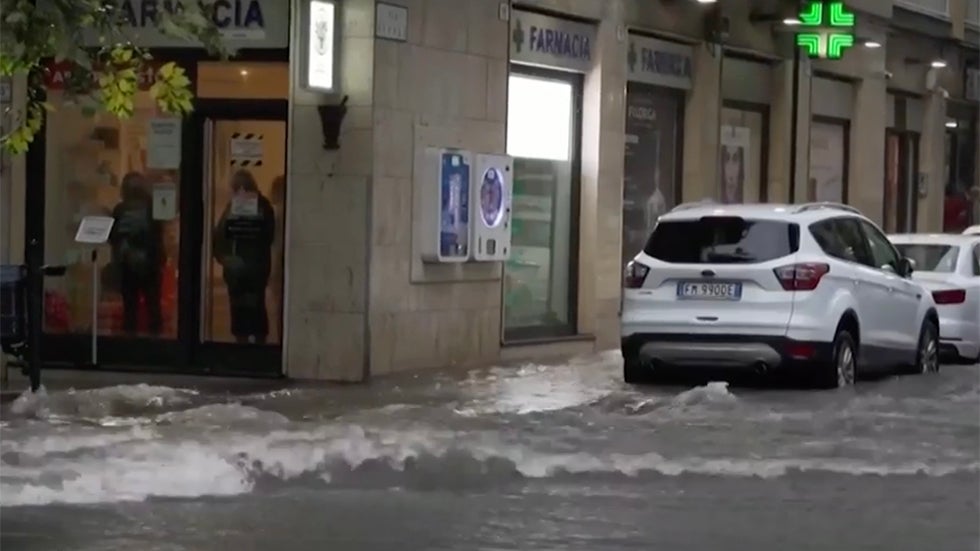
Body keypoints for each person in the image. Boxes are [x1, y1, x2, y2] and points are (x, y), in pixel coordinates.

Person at [212, 169, 276, 344]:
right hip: (256, 266)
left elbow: (220, 235)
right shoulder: (264, 206)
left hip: (238, 266)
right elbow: (268, 236)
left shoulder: (234, 207)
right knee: (256, 306)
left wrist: (223, 257)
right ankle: (258, 341)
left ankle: (243, 342)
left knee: (240, 306)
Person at [110, 172, 164, 335]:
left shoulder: (120, 209)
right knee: (152, 307)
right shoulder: (152, 207)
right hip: (148, 263)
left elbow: (114, 237)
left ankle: (130, 345)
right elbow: (157, 235)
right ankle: (156, 344)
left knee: (131, 308)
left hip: (129, 264)